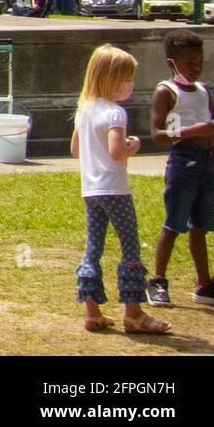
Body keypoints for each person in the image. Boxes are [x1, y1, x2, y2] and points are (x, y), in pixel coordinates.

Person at [70, 43, 169, 334]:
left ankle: (93, 312)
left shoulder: (84, 110)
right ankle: (134, 313)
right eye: (125, 79)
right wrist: (133, 146)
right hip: (115, 189)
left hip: (91, 190)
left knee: (93, 248)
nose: (130, 85)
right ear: (110, 80)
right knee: (130, 248)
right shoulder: (115, 114)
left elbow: (75, 149)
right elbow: (116, 152)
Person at [146, 29, 214, 308]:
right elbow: (158, 134)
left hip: (207, 162)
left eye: (200, 62)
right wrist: (194, 131)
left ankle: (204, 284)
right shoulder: (166, 92)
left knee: (201, 226)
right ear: (172, 63)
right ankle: (157, 280)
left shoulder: (202, 90)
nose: (196, 67)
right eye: (190, 63)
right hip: (184, 161)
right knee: (173, 224)